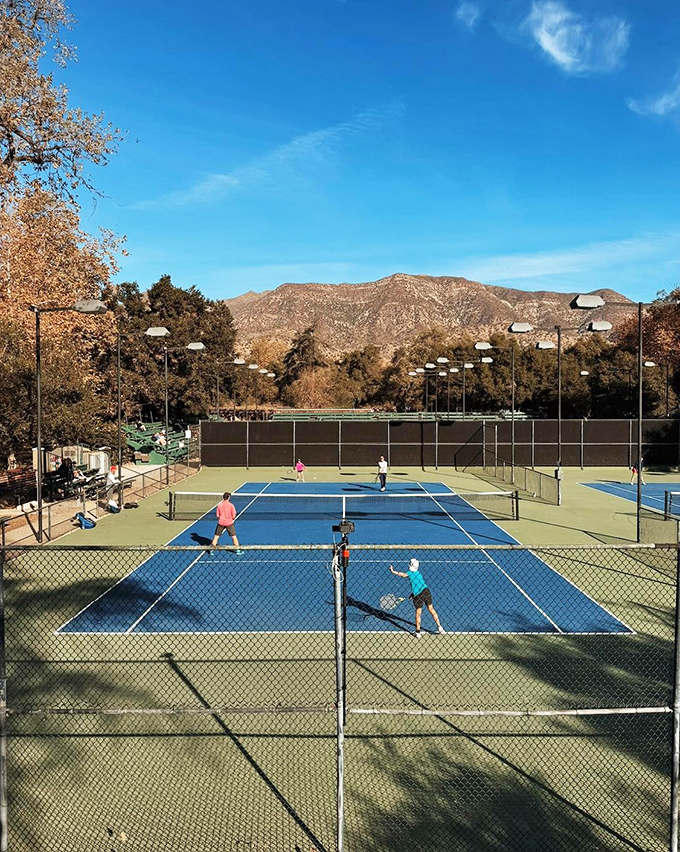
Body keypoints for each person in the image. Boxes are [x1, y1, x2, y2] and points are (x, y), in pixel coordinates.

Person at [389, 558, 444, 638]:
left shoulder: (410, 573)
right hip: (426, 591)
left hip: (418, 595)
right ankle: (440, 628)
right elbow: (418, 584)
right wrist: (412, 594)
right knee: (431, 609)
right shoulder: (418, 573)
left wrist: (393, 571)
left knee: (418, 613)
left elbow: (403, 575)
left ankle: (418, 632)